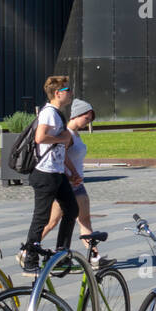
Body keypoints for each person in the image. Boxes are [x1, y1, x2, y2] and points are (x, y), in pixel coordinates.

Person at [38, 99, 111, 269]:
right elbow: (60, 156)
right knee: (52, 222)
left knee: (85, 220)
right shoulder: (67, 134)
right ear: (77, 115)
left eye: (90, 119)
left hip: (77, 184)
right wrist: (71, 174)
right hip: (66, 184)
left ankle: (95, 257)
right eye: (86, 118)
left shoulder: (75, 134)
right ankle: (28, 251)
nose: (88, 122)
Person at [18, 76, 78, 276]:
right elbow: (40, 137)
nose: (70, 93)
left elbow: (57, 147)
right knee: (41, 217)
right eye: (68, 90)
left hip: (56, 172)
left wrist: (71, 172)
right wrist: (63, 137)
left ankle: (60, 255)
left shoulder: (56, 113)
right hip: (45, 173)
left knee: (71, 209)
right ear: (57, 93)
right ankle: (30, 259)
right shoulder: (49, 113)